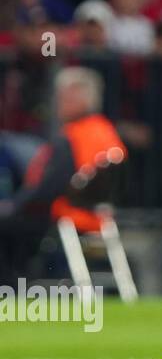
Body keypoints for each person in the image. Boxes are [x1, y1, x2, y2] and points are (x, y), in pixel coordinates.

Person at [0, 68, 124, 284]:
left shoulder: (73, 137)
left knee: (9, 224)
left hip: (68, 214)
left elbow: (50, 186)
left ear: (79, 99)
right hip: (101, 215)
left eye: (63, 98)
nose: (58, 104)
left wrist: (15, 205)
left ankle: (12, 285)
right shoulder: (107, 132)